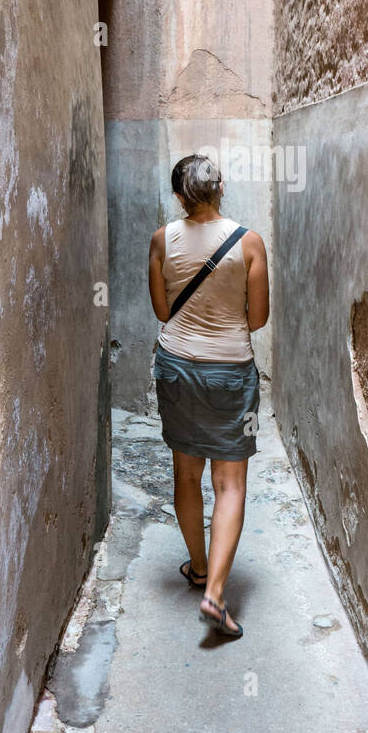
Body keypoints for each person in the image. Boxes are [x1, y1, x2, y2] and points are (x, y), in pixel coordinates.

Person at [148, 154, 269, 638]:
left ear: (179, 197)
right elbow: (256, 319)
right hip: (231, 374)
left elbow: (162, 310)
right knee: (230, 485)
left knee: (186, 474)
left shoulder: (162, 240)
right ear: (221, 189)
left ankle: (198, 565)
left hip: (176, 367)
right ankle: (215, 593)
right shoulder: (250, 242)